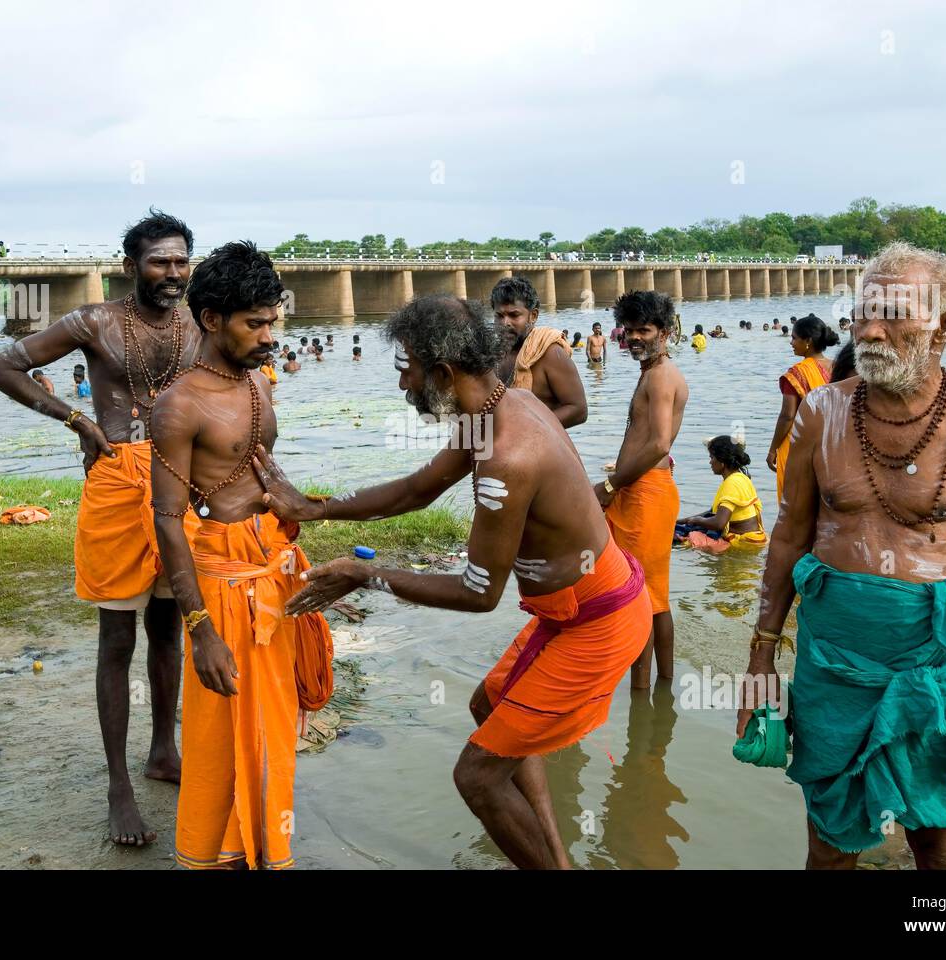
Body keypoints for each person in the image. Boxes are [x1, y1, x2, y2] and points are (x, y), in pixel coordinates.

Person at [252, 294, 651, 870]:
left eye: (406, 369)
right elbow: (418, 489)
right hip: (576, 608)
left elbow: (478, 595)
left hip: (599, 622)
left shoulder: (508, 453)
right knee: (489, 704)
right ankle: (558, 861)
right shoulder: (498, 406)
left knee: (477, 775)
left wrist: (365, 575)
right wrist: (318, 509)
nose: (402, 386)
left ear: (441, 372)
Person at [739, 240, 946, 869]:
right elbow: (788, 537)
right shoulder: (821, 413)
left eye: (896, 313)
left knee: (942, 845)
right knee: (829, 841)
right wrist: (761, 657)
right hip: (833, 667)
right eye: (864, 311)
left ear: (945, 327)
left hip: (941, 672)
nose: (871, 329)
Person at [0, 209, 201, 847]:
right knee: (116, 638)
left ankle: (165, 750)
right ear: (131, 264)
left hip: (180, 481)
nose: (172, 273)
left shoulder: (202, 322)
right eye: (160, 261)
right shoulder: (94, 321)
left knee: (172, 625)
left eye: (181, 260)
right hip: (116, 481)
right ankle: (118, 786)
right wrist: (75, 419)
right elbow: (2, 368)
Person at [149, 240, 333, 870]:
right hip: (222, 589)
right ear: (210, 320)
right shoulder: (179, 404)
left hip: (273, 572)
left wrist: (292, 510)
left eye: (272, 320)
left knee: (274, 728)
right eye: (254, 323)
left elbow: (262, 474)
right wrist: (198, 630)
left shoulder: (258, 382)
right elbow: (168, 520)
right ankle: (216, 853)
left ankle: (260, 845)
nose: (268, 334)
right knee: (220, 736)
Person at [594, 291, 687, 686]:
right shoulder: (650, 372)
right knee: (648, 595)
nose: (634, 337)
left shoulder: (662, 376)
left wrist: (612, 483)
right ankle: (657, 693)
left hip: (647, 492)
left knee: (646, 598)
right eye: (629, 330)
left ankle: (644, 691)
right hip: (639, 488)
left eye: (644, 330)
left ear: (664, 332)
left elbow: (660, 443)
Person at [492, 276, 587, 428]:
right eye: (499, 316)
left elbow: (578, 410)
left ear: (533, 315)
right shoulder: (490, 356)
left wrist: (523, 429)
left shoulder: (550, 354)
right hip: (497, 447)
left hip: (540, 447)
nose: (505, 323)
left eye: (514, 315)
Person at [766, 313, 838, 501]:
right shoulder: (838, 368)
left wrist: (773, 449)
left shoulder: (796, 373)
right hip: (834, 442)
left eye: (794, 338)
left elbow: (787, 416)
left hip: (802, 444)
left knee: (797, 501)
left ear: (808, 341)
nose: (791, 342)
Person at [674, 435, 767, 550]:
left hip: (744, 543)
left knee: (683, 539)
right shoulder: (741, 477)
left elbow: (719, 523)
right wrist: (686, 520)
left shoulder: (731, 483)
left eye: (712, 457)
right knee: (684, 527)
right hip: (755, 538)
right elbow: (712, 512)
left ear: (722, 461)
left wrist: (696, 520)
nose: (710, 462)